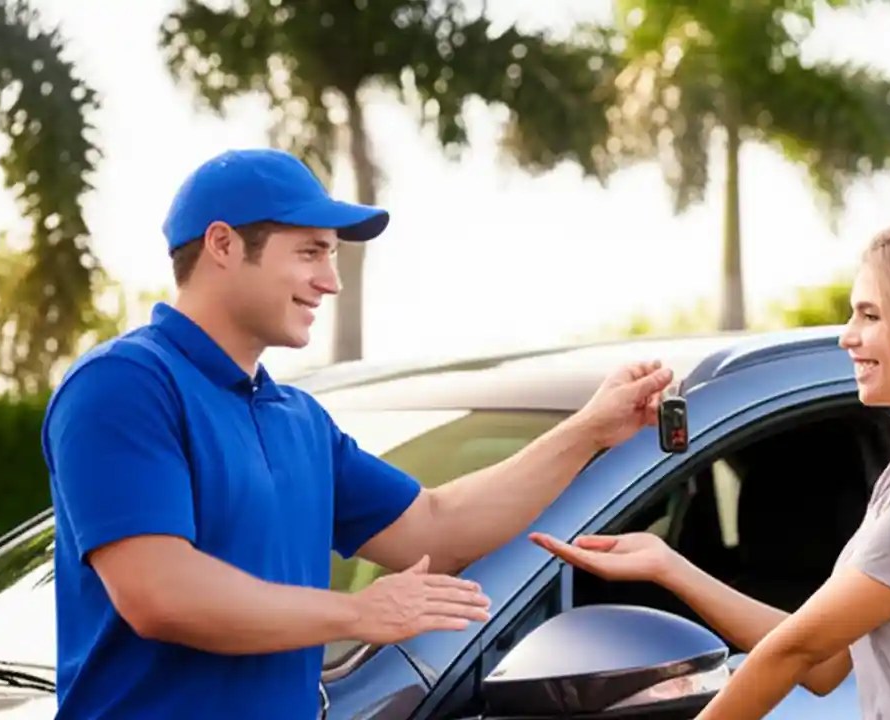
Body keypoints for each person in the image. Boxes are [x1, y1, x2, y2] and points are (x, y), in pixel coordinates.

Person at [41, 148, 674, 719]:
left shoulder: (298, 418)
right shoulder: (124, 384)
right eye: (310, 252)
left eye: (332, 256)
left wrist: (590, 430)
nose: (331, 281)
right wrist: (358, 613)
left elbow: (438, 527)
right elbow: (162, 593)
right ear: (223, 245)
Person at [532, 209, 890, 720]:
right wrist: (667, 564)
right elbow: (825, 663)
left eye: (870, 315)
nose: (846, 335)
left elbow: (797, 653)